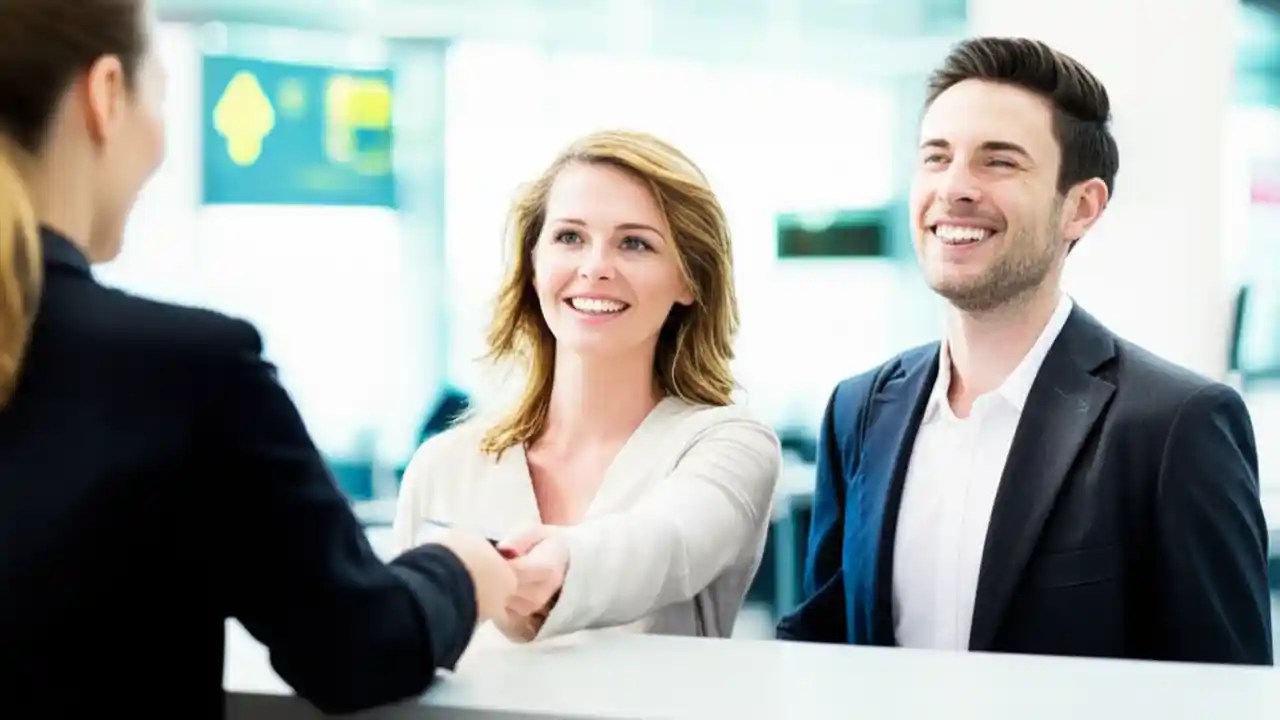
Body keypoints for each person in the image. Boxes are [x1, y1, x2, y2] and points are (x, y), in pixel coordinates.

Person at [0, 1, 516, 716]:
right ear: (106, 95)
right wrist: (461, 571)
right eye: (162, 95)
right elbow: (356, 644)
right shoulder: (182, 373)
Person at [776, 36, 1273, 664]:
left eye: (999, 162)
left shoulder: (1176, 426)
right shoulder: (859, 410)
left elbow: (1225, 693)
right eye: (936, 157)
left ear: (1081, 207)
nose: (955, 187)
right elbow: (822, 647)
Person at [392, 129, 781, 656]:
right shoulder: (444, 465)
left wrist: (559, 565)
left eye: (635, 243)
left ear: (688, 280)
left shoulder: (728, 445)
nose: (595, 266)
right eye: (569, 237)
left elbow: (668, 543)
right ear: (533, 265)